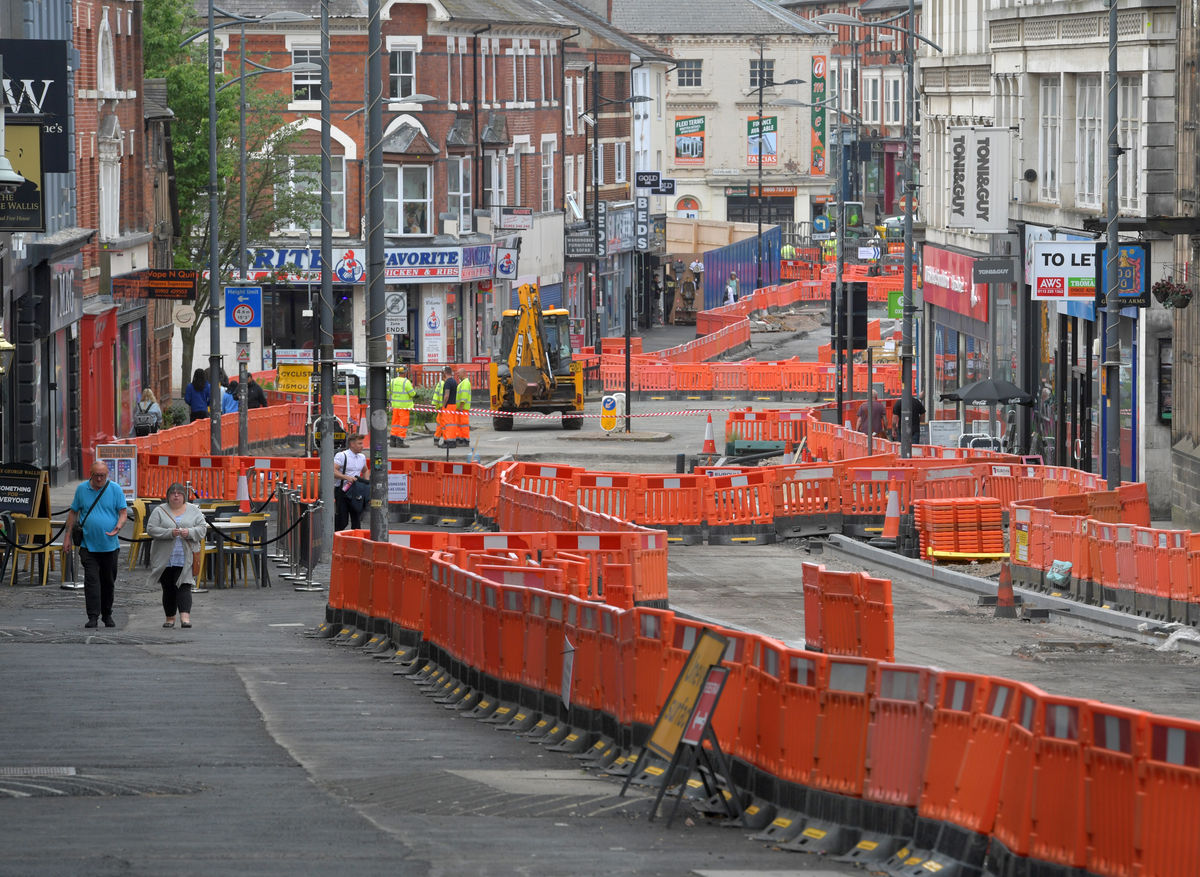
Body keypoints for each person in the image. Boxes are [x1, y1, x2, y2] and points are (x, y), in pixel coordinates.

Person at [64, 461, 129, 629]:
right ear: (90, 475)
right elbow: (73, 513)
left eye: (103, 475)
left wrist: (118, 526)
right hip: (88, 545)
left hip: (110, 545)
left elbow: (123, 512)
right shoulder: (82, 489)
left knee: (108, 581)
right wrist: (67, 537)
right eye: (97, 475)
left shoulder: (114, 489)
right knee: (92, 581)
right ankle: (92, 616)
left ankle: (107, 614)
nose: (100, 479)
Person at [145, 482, 206, 629]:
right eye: (173, 493)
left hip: (186, 556)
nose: (176, 495)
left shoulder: (194, 510)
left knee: (184, 585)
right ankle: (170, 618)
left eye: (179, 493)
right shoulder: (159, 511)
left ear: (184, 496)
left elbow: (202, 529)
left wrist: (189, 532)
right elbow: (151, 529)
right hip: (165, 558)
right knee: (169, 587)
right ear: (168, 496)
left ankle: (185, 618)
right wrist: (169, 533)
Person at [333, 433, 370, 531]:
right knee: (342, 521)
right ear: (352, 444)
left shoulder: (362, 457)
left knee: (356, 520)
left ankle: (356, 543)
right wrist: (346, 477)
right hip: (342, 491)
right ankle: (335, 540)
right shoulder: (342, 455)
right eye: (360, 444)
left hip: (356, 491)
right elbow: (333, 471)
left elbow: (365, 470)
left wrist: (366, 482)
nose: (362, 446)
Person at [389, 364, 415, 448]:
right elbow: (412, 393)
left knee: (395, 424)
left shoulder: (392, 381)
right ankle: (400, 441)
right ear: (405, 373)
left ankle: (393, 441)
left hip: (395, 406)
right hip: (404, 407)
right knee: (402, 424)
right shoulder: (406, 382)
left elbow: (391, 392)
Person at [437, 366, 459, 448]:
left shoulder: (447, 383)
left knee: (447, 424)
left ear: (445, 373)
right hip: (453, 405)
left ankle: (448, 442)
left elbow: (446, 396)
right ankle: (452, 441)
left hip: (448, 406)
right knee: (452, 424)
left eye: (442, 373)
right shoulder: (454, 381)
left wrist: (443, 405)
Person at [455, 368, 472, 447]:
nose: (457, 375)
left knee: (464, 425)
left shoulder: (465, 383)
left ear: (464, 373)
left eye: (459, 373)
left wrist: (461, 405)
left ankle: (465, 440)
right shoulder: (463, 383)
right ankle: (461, 439)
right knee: (460, 425)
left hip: (463, 408)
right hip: (461, 408)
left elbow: (464, 396)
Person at [431, 370, 446, 446]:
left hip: (440, 408)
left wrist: (434, 405)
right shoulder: (445, 384)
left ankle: (436, 439)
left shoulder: (440, 384)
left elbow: (436, 394)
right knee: (444, 424)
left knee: (439, 424)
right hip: (444, 407)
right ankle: (446, 440)